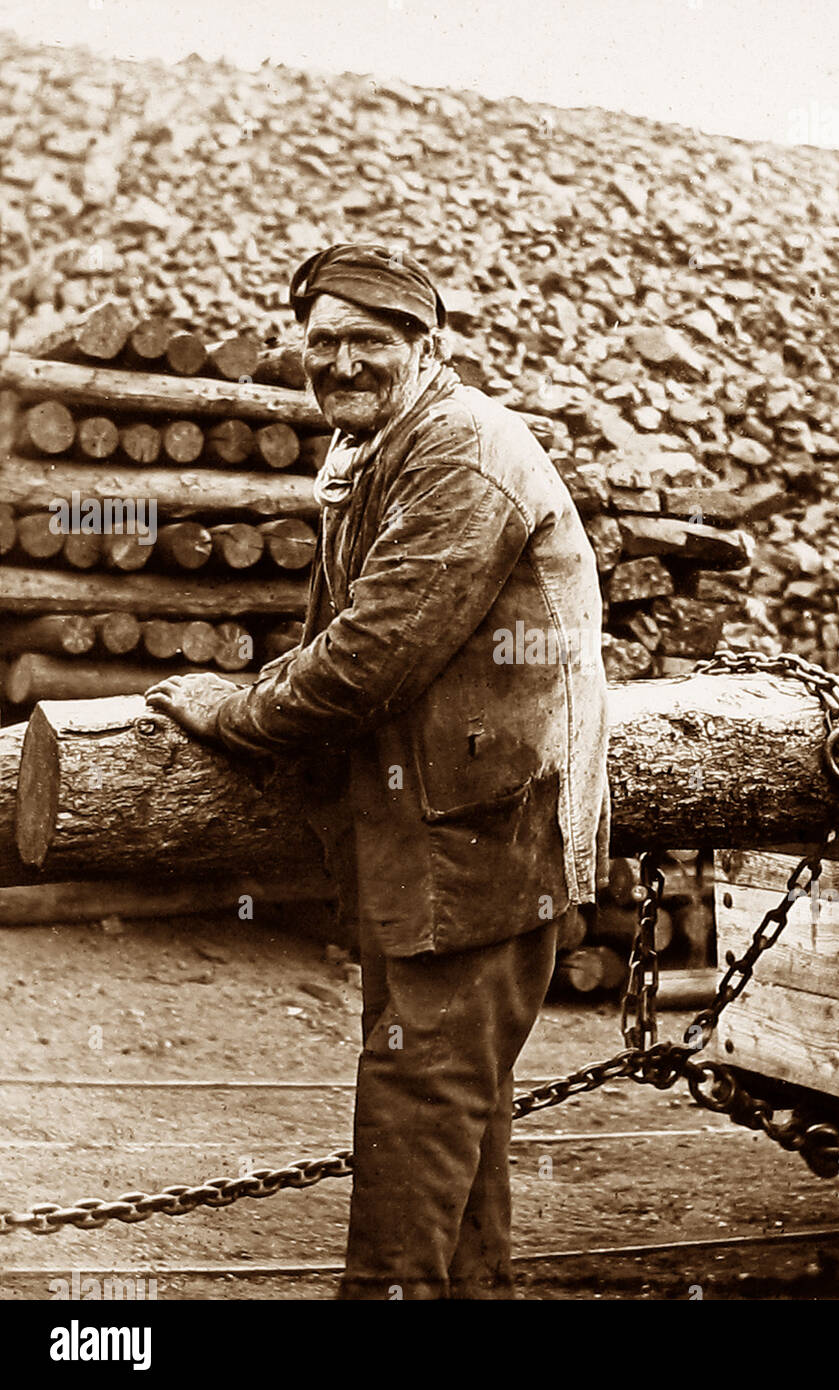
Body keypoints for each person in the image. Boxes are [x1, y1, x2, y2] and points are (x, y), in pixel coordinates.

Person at [146, 243, 610, 1300]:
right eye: (323, 344)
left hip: (484, 837)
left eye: (369, 343)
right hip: (447, 829)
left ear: (429, 347)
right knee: (454, 1108)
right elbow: (352, 630)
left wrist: (230, 710)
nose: (341, 363)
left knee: (417, 1104)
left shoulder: (458, 456)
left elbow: (365, 662)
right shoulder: (384, 447)